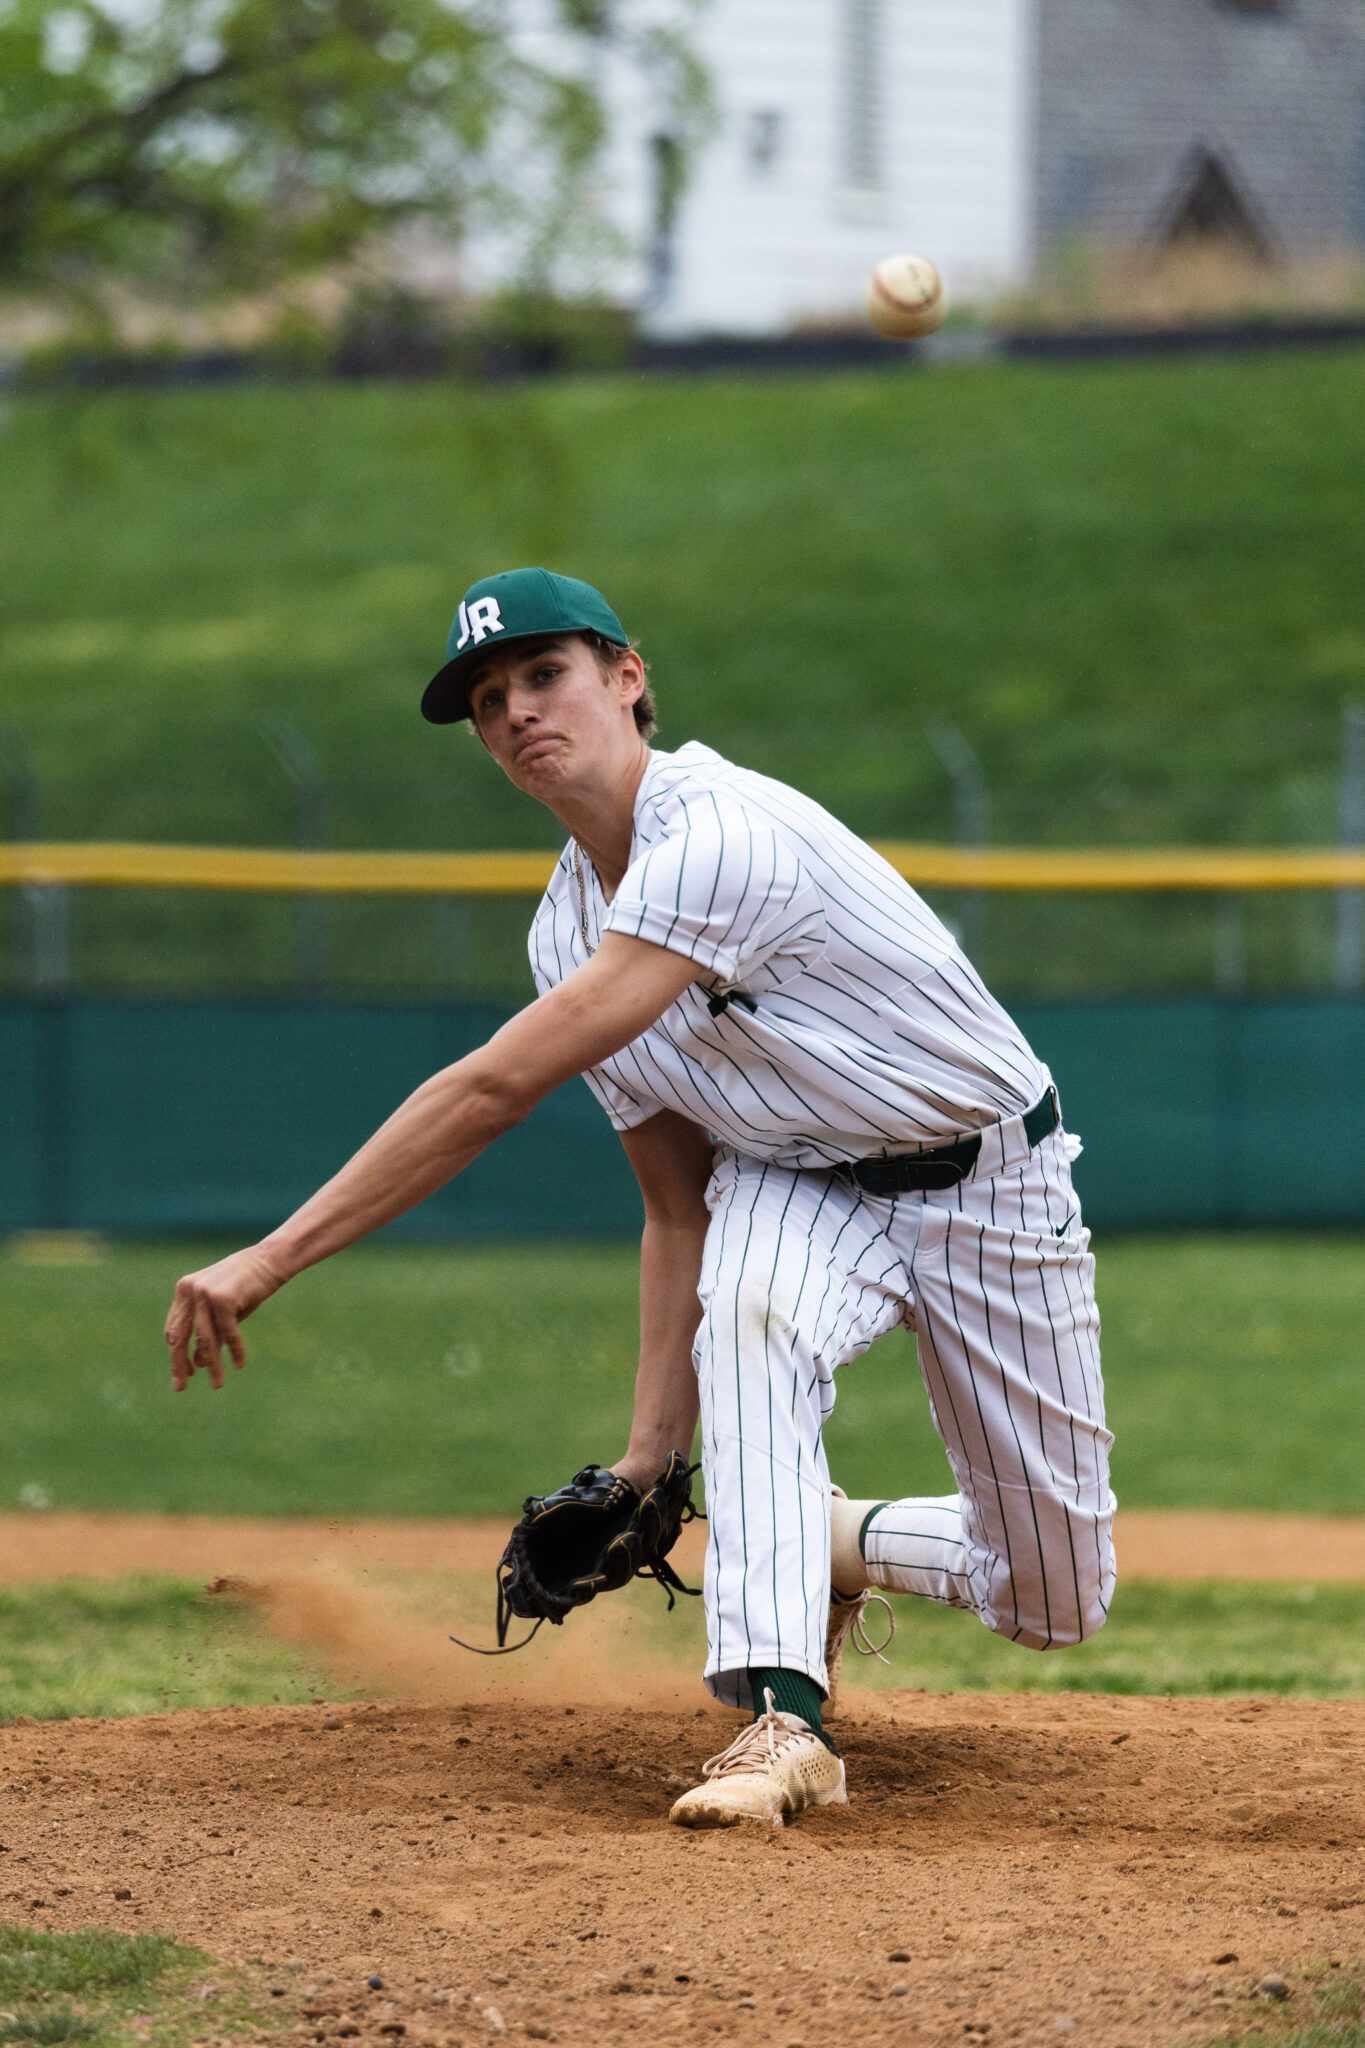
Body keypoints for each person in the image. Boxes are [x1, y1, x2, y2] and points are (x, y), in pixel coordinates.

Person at [165, 567, 1115, 1831]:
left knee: (1053, 1597)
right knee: (756, 1315)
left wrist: (268, 1258)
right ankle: (785, 1722)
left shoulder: (720, 831)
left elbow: (496, 1085)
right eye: (487, 700)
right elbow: (680, 1209)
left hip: (994, 1177)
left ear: (628, 677)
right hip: (796, 1182)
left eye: (543, 674)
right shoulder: (565, 933)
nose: (515, 712)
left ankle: (826, 1537)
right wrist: (649, 1454)